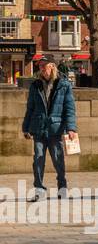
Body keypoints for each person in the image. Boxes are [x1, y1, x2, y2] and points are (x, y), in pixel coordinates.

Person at [22, 57, 78, 201]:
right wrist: (26, 128)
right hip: (39, 128)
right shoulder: (35, 85)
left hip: (56, 129)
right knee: (38, 159)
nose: (41, 69)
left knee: (58, 159)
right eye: (40, 66)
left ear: (52, 66)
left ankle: (62, 187)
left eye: (44, 66)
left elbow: (69, 108)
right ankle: (39, 189)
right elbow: (30, 108)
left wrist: (71, 128)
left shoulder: (63, 85)